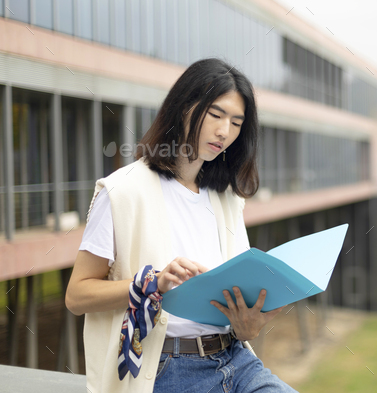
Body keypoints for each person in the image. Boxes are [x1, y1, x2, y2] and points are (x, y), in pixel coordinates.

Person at [65, 58, 298, 393]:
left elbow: (239, 309)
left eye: (236, 122)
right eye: (216, 115)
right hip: (167, 367)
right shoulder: (123, 192)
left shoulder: (227, 200)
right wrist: (153, 283)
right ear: (183, 108)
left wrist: (248, 324)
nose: (224, 132)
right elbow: (77, 295)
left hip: (235, 359)